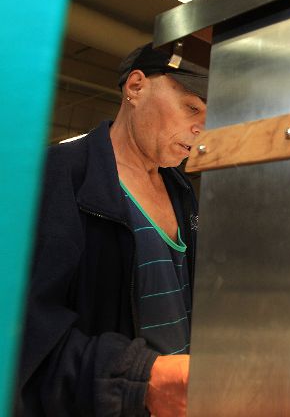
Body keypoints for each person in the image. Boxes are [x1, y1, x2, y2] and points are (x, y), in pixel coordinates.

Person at [15, 43, 207, 416]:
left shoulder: (183, 192)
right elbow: (27, 333)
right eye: (192, 106)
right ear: (135, 87)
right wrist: (138, 378)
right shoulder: (60, 177)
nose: (201, 125)